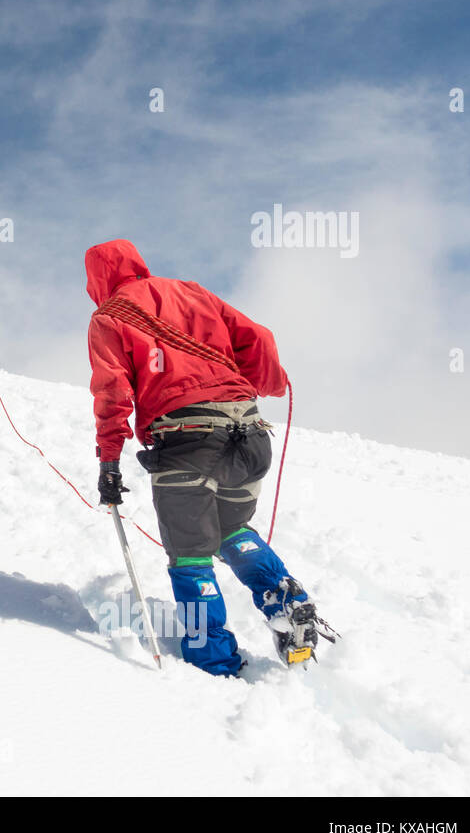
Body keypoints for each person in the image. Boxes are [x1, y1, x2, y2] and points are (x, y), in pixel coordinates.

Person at [84, 238, 332, 674]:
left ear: (97, 279)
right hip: (251, 435)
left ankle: (212, 660)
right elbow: (259, 338)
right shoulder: (192, 291)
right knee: (231, 529)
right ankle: (287, 599)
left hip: (186, 442)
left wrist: (109, 461)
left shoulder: (109, 317)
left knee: (191, 554)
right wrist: (268, 384)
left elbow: (113, 391)